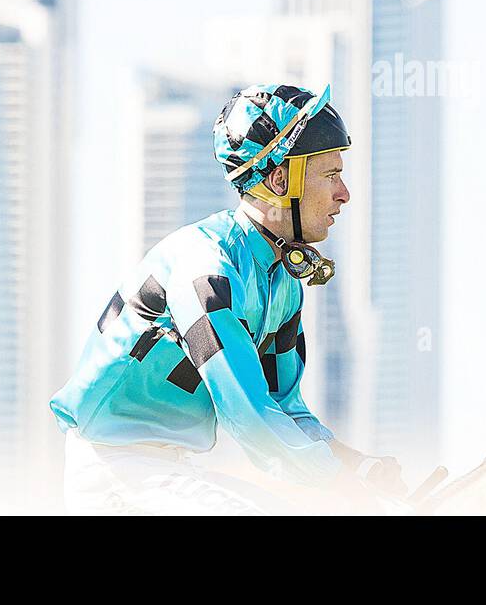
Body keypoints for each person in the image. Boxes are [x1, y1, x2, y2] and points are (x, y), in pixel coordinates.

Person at [50, 83, 407, 513]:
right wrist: (346, 489)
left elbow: (283, 407)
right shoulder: (208, 268)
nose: (344, 193)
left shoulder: (283, 281)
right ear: (279, 179)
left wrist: (357, 467)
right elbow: (251, 419)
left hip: (171, 468)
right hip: (115, 470)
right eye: (330, 175)